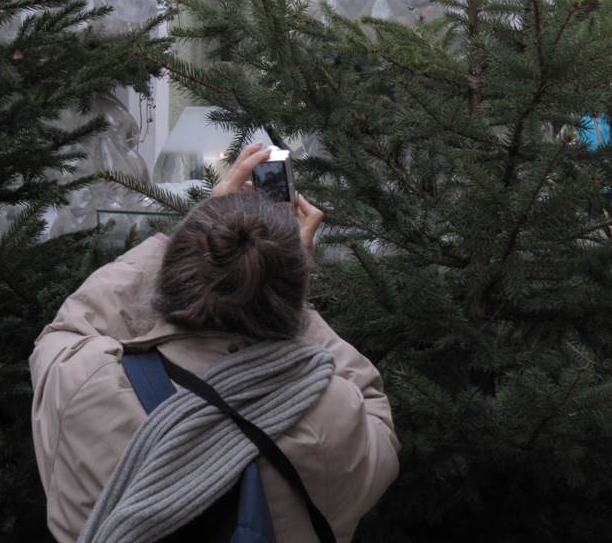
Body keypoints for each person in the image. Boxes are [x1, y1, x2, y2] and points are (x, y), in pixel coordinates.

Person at [30, 142, 400, 543]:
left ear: (175, 270)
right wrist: (293, 291)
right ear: (288, 295)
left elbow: (70, 326)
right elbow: (372, 409)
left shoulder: (84, 384)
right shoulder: (331, 421)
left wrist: (190, 235)